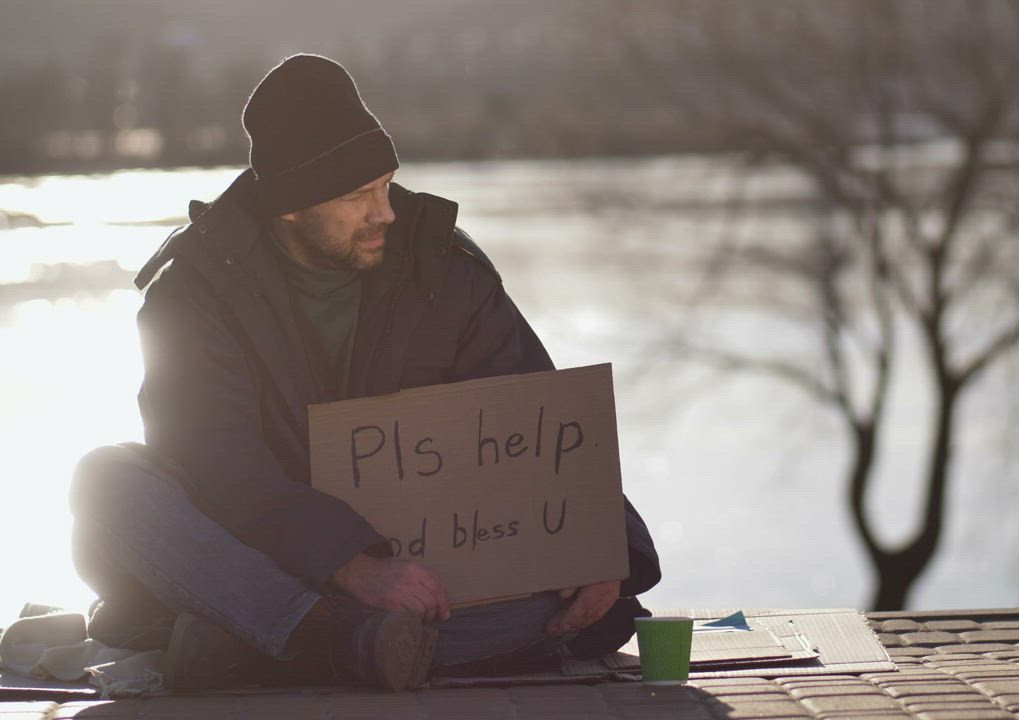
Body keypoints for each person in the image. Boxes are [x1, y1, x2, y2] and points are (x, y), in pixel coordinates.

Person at [68, 54, 660, 692]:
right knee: (107, 481)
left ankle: (265, 646)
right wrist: (348, 567)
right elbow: (215, 462)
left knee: (589, 609)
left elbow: (537, 421)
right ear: (289, 206)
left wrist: (603, 551)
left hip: (418, 572)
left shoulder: (444, 271)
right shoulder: (195, 291)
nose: (385, 213)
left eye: (384, 185)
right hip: (260, 558)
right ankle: (317, 635)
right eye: (357, 197)